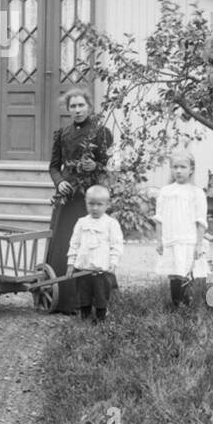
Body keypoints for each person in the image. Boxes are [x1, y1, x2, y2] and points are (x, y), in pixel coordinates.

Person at [45, 88, 114, 314]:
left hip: (90, 196)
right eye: (73, 106)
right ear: (68, 109)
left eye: (81, 105)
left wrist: (96, 166)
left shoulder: (100, 133)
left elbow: (107, 164)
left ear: (89, 107)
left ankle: (96, 300)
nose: (77, 110)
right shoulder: (62, 134)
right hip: (67, 197)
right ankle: (64, 299)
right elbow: (54, 166)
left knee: (92, 243)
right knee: (66, 243)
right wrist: (59, 183)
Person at [153, 149, 210, 309]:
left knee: (186, 272)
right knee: (174, 273)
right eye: (175, 167)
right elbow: (159, 219)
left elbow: (201, 221)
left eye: (183, 167)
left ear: (191, 169)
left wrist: (198, 244)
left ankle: (187, 304)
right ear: (171, 168)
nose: (178, 171)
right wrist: (160, 240)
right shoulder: (165, 192)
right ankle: (176, 304)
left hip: (188, 240)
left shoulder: (196, 193)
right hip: (171, 239)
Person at [66, 185, 123, 323]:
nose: (95, 208)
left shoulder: (111, 223)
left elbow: (117, 245)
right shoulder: (81, 222)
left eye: (99, 204)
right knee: (83, 295)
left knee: (101, 296)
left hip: (101, 270)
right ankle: (85, 318)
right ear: (86, 202)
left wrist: (113, 262)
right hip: (83, 269)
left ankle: (100, 319)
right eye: (91, 204)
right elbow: (74, 244)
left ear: (107, 205)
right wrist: (71, 264)